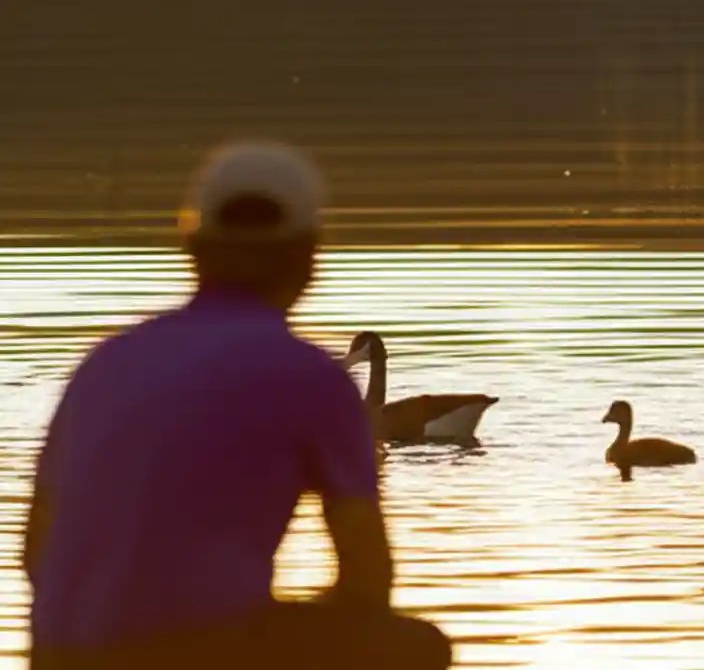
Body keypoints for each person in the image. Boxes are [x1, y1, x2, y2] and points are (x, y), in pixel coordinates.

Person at [22, 142, 452, 670]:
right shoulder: (312, 377)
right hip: (199, 652)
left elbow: (36, 551)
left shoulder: (104, 365)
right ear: (310, 255)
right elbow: (367, 583)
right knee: (416, 646)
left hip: (60, 656)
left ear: (193, 248)